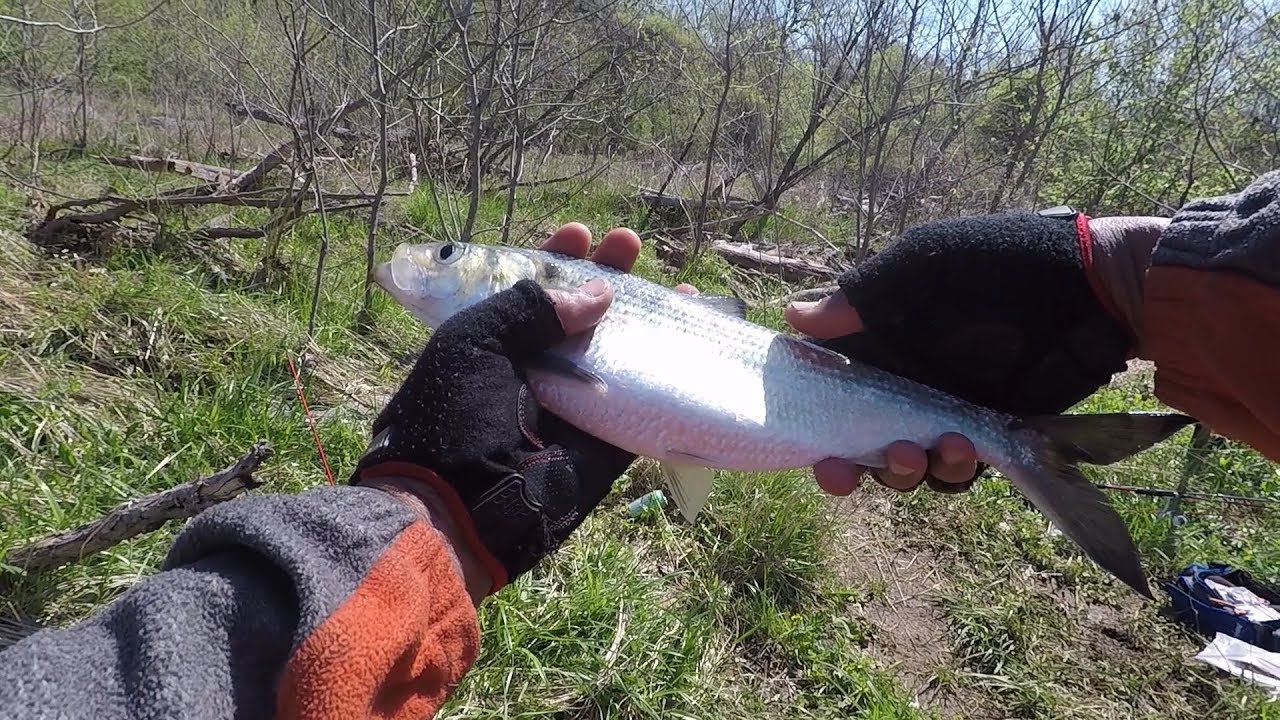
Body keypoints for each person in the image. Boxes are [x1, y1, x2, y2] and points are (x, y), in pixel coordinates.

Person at [0, 169, 1276, 719]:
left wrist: (424, 519)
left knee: (973, 435)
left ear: (498, 277)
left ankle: (1027, 444)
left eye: (445, 257)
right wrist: (1126, 275)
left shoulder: (564, 297)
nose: (417, 267)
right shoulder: (529, 325)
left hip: (798, 392)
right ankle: (1026, 437)